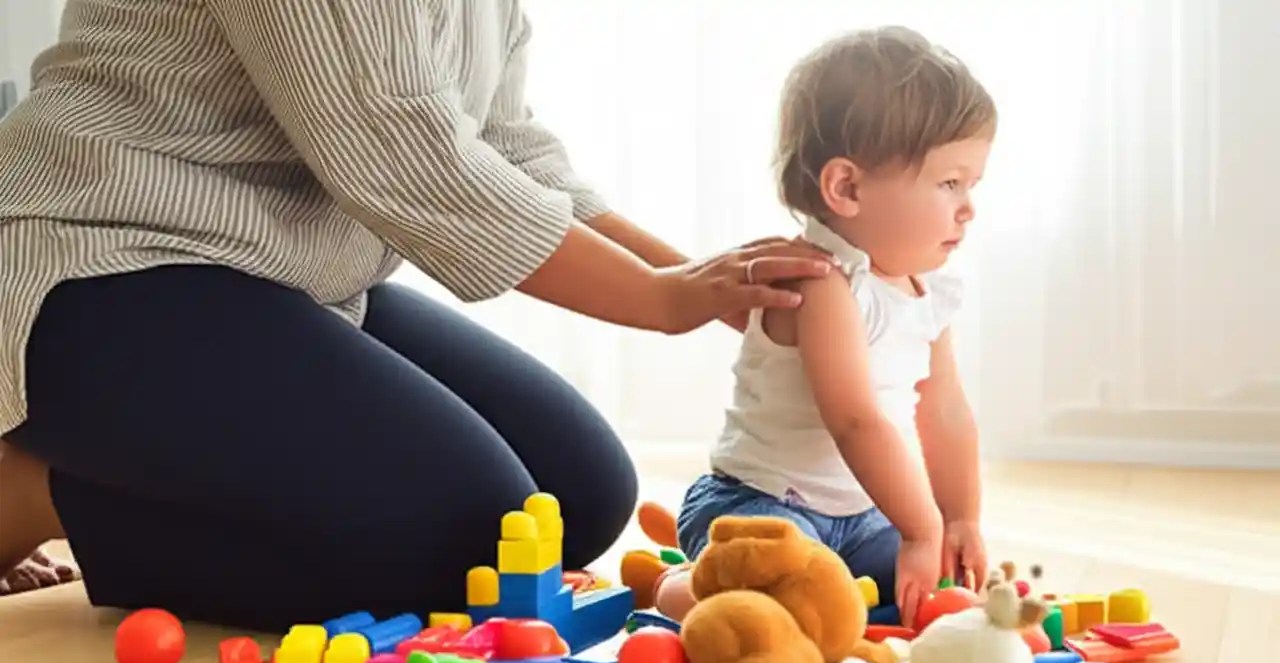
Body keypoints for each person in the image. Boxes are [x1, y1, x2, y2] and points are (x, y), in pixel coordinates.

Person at [0, 1, 839, 628]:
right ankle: (40, 491)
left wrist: (707, 282)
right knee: (463, 542)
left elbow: (505, 144)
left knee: (577, 495)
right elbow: (404, 152)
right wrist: (660, 301)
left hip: (288, 278)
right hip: (98, 263)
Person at [651, 26, 995, 629]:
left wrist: (957, 515)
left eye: (972, 185)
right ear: (847, 187)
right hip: (760, 506)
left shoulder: (928, 286)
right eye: (948, 183)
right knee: (785, 603)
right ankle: (679, 586)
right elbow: (854, 419)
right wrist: (920, 527)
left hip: (864, 516)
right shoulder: (822, 282)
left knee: (931, 601)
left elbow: (944, 407)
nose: (968, 207)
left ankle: (805, 592)